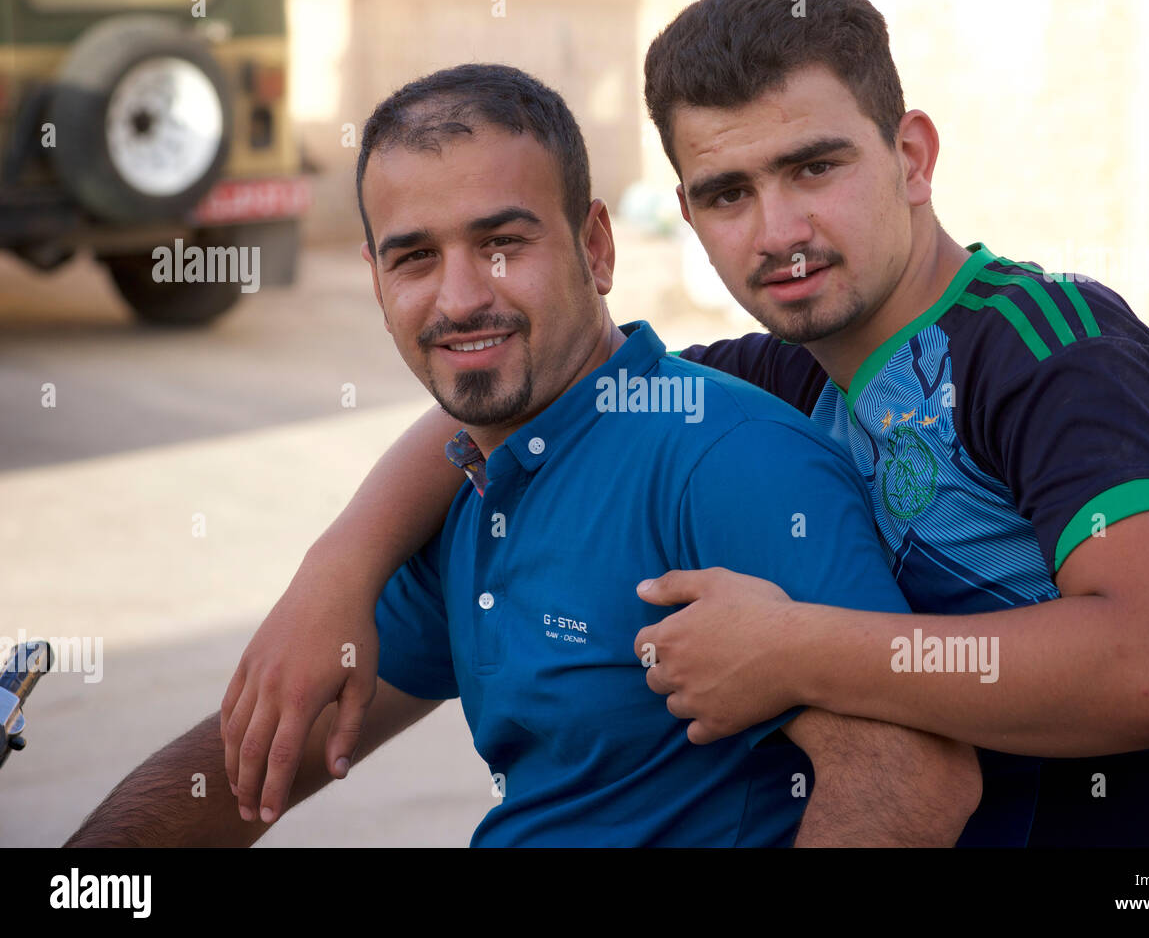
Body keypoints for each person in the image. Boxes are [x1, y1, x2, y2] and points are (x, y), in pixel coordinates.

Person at [221, 0, 1149, 847]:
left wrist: (796, 647)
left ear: (912, 157)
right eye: (726, 192)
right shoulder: (782, 373)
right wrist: (337, 567)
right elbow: (530, 384)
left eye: (814, 166)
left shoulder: (1050, 349)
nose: (778, 228)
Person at [64, 64, 980, 848]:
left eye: (502, 244)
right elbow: (261, 757)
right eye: (414, 258)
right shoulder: (474, 486)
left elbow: (912, 779)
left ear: (594, 246)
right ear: (376, 281)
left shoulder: (724, 463)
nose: (461, 298)